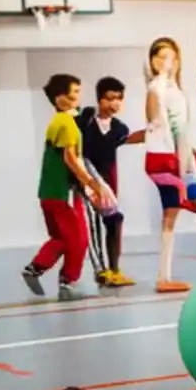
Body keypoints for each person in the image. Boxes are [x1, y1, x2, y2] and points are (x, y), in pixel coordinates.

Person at [22, 74, 102, 301]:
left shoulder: (58, 121)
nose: (78, 96)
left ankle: (35, 268)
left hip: (48, 192)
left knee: (60, 238)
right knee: (79, 239)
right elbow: (70, 159)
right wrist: (92, 183)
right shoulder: (66, 123)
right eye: (74, 92)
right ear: (59, 98)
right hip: (63, 193)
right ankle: (68, 282)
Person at [143, 37, 196, 293]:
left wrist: (190, 159)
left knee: (176, 212)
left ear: (177, 61)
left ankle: (166, 275)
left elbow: (182, 129)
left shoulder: (173, 89)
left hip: (173, 155)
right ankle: (164, 277)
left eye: (168, 57)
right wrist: (185, 166)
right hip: (164, 158)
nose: (163, 61)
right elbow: (155, 119)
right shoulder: (157, 87)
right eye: (158, 57)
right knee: (187, 209)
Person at [77, 77, 144, 287]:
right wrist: (89, 181)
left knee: (114, 220)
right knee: (94, 225)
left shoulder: (119, 128)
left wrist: (152, 132)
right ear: (100, 99)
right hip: (86, 180)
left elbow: (127, 139)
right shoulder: (87, 120)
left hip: (106, 182)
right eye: (110, 98)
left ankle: (114, 269)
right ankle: (101, 271)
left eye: (118, 98)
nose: (114, 103)